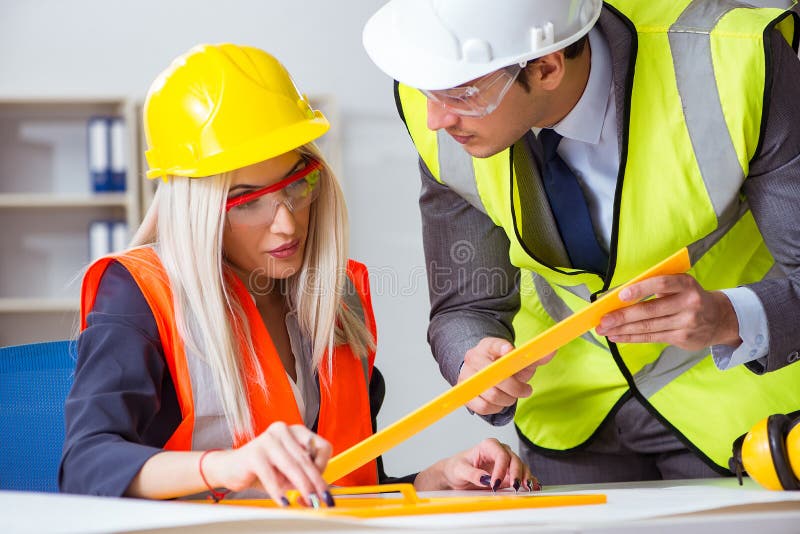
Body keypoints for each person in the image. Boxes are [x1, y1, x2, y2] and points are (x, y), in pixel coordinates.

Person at [58, 43, 537, 505]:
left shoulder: (336, 297)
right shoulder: (139, 292)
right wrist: (227, 466)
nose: (287, 223)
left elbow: (342, 486)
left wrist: (431, 482)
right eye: (247, 201)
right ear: (196, 210)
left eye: (297, 184)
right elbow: (85, 467)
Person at [362, 0, 800, 485]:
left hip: (735, 407)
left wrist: (728, 317)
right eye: (430, 92)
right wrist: (473, 360)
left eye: (461, 94)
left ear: (547, 67)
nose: (435, 119)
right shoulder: (442, 100)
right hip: (567, 415)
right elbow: (465, 305)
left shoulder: (734, 63)